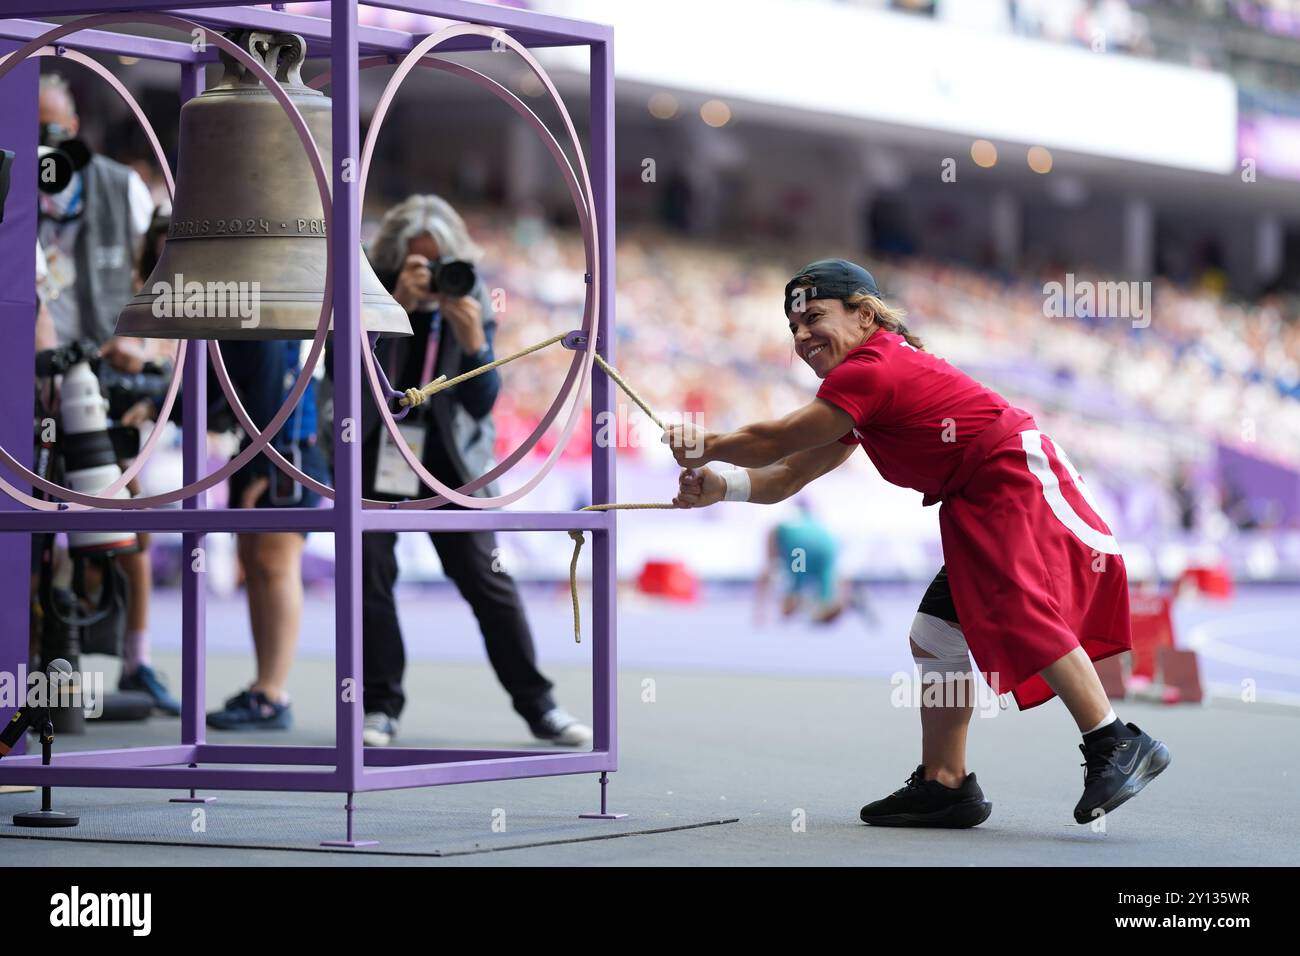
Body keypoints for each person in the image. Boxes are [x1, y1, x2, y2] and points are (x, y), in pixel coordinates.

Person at [667, 258, 1170, 827]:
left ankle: (1115, 742)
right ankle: (945, 784)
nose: (802, 335)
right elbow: (786, 476)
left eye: (814, 317)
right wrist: (719, 485)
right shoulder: (862, 389)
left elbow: (776, 439)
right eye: (794, 327)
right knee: (935, 634)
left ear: (864, 315)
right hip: (977, 494)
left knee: (1017, 604)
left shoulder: (866, 372)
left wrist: (706, 443)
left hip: (1009, 477)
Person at [344, 195, 591, 748]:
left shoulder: (470, 292)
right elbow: (350, 393)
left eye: (440, 263)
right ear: (394, 259)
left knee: (489, 579)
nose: (432, 276)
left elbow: (482, 404)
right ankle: (380, 708)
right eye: (418, 263)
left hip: (453, 461)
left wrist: (476, 344)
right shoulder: (370, 291)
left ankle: (540, 705)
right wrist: (390, 318)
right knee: (369, 575)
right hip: (377, 452)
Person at [36, 72, 177, 714]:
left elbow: (162, 279)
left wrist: (141, 347)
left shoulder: (122, 190)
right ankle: (40, 652)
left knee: (128, 518)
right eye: (32, 127)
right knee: (32, 532)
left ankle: (136, 659)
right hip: (22, 382)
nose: (46, 142)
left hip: (101, 380)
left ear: (78, 128)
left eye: (57, 129)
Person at [204, 339, 330, 731]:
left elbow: (270, 390)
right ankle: (266, 688)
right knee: (258, 566)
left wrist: (262, 468)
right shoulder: (243, 312)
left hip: (284, 453)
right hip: (260, 450)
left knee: (274, 567)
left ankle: (272, 692)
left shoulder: (268, 316)